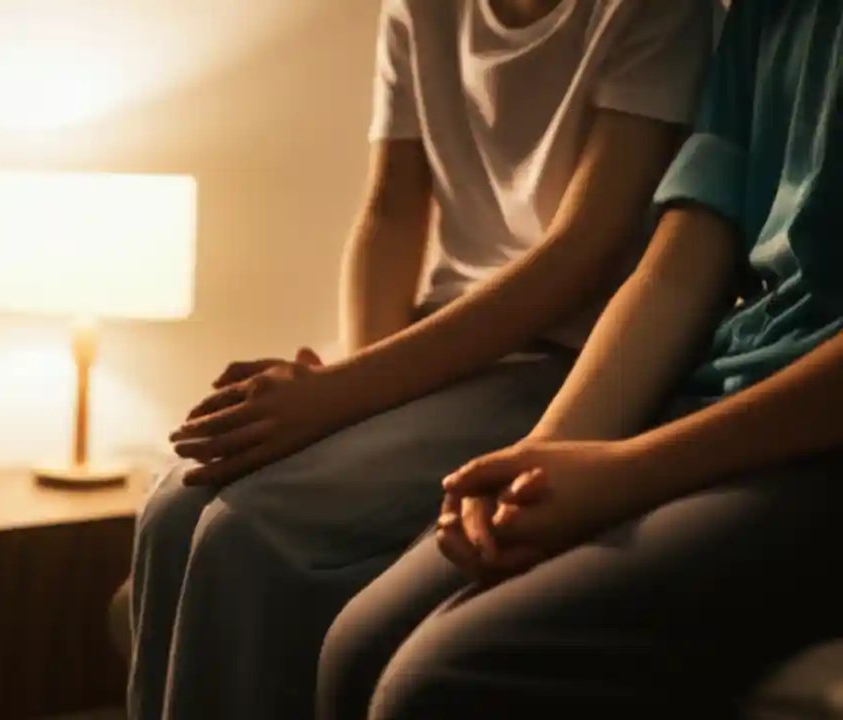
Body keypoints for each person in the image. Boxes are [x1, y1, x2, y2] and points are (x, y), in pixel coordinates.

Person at [127, 2, 716, 718]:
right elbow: (391, 211)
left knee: (245, 530)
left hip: (569, 360)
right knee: (173, 504)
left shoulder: (653, 12)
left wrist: (344, 392)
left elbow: (582, 251)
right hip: (441, 343)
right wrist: (355, 384)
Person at [316, 0, 843, 717]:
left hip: (808, 453)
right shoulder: (768, 15)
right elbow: (680, 266)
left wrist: (632, 470)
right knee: (357, 644)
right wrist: (543, 455)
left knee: (439, 682)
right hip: (714, 400)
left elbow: (585, 247)